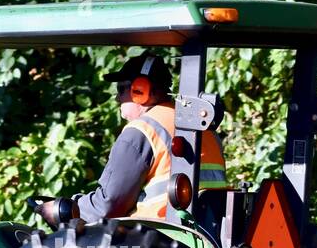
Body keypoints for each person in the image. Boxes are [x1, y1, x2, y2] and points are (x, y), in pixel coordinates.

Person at [36, 53, 230, 225]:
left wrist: (69, 209)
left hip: (159, 235)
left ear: (140, 90)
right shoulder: (203, 128)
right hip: (208, 231)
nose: (117, 99)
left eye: (121, 90)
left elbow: (108, 205)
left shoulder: (142, 131)